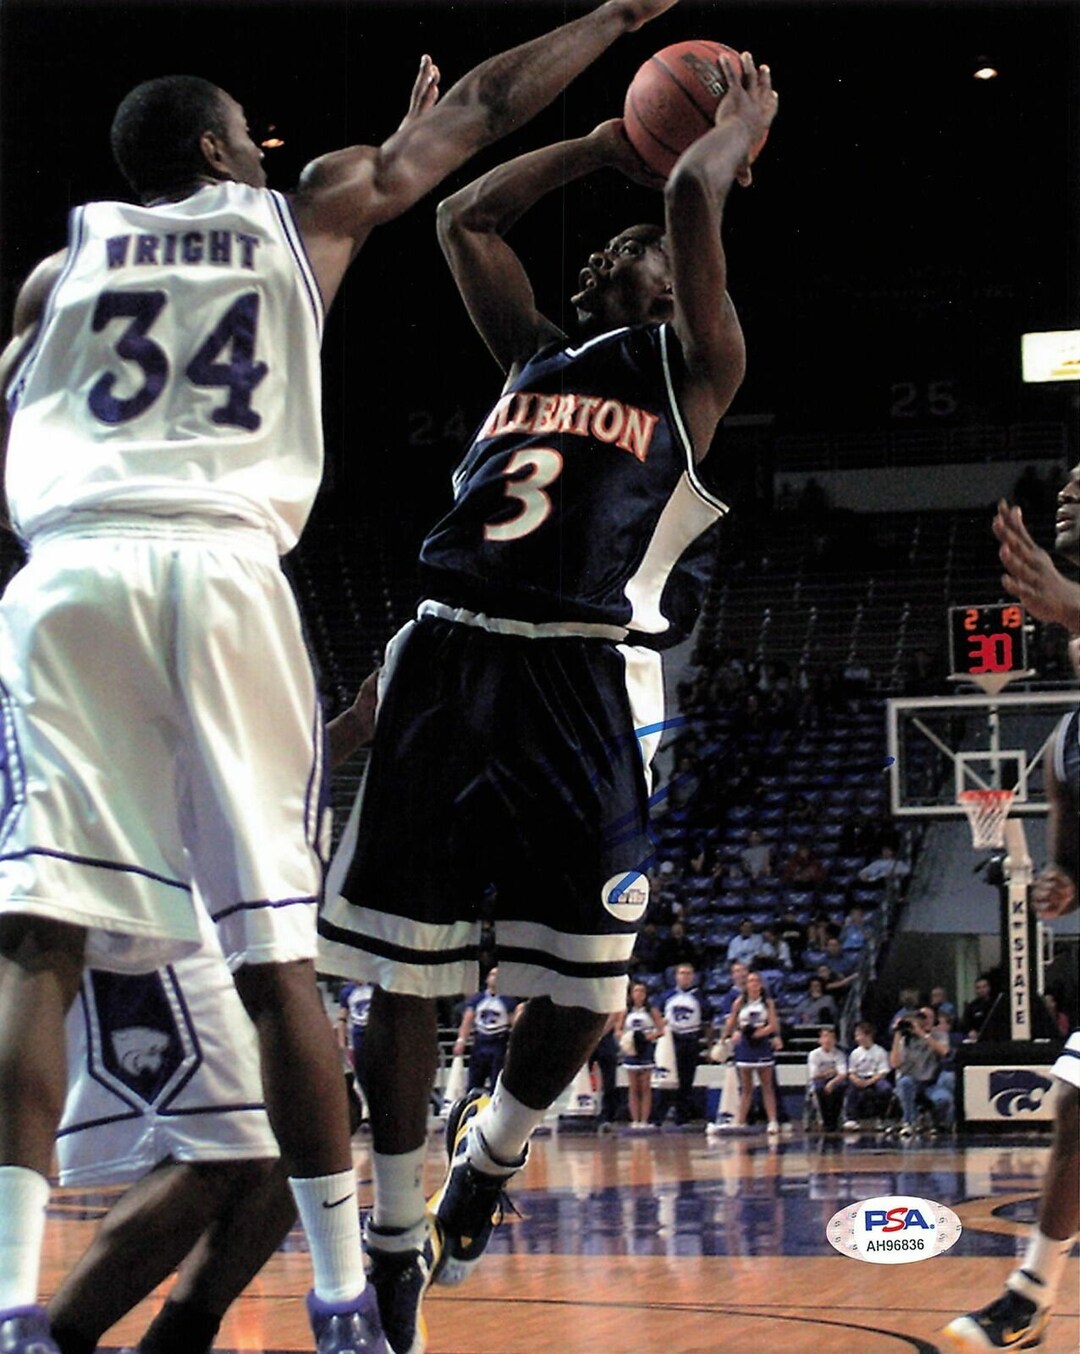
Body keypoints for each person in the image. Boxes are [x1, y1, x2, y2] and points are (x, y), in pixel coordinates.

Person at [0, 6, 683, 1351]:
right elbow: (481, 115)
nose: (269, 155)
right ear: (216, 144)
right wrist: (605, 22)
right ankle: (346, 1290)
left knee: (39, 952)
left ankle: (17, 1301)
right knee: (278, 953)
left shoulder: (55, 268)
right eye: (250, 139)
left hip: (69, 571)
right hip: (227, 568)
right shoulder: (297, 211)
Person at [317, 47, 778, 1311]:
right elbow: (467, 215)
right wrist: (596, 146)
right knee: (402, 971)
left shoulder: (696, 374)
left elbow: (691, 200)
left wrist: (718, 144)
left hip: (578, 671)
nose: (661, 260)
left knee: (589, 986)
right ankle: (397, 1235)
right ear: (605, 278)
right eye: (634, 251)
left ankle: (495, 1149)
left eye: (670, 256)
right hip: (452, 642)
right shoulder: (533, 359)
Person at [46, 675, 378, 1354]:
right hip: (135, 875)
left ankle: (179, 1334)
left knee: (318, 1119)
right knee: (222, 1149)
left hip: (196, 884)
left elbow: (245, 778)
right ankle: (55, 1339)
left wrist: (354, 726)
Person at [944, 480, 1080, 1351]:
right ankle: (1030, 1295)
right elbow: (1072, 860)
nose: (1069, 488)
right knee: (1073, 1111)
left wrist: (1071, 599)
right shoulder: (1069, 741)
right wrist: (1062, 880)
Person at [720, 969, 781, 1133]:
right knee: (746, 1088)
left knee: (767, 1085)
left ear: (761, 985)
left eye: (756, 981)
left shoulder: (767, 1003)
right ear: (746, 985)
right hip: (745, 1045)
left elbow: (774, 1024)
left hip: (762, 1044)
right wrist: (724, 1039)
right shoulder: (739, 1002)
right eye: (750, 981)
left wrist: (762, 1032)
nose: (753, 984)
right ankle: (740, 1122)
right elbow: (731, 1023)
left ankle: (772, 1121)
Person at [652, 963, 711, 1125]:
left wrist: (711, 1046)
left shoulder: (699, 997)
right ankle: (658, 1117)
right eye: (682, 973)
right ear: (676, 976)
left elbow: (707, 1023)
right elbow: (654, 1011)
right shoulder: (667, 995)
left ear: (693, 976)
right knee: (665, 1080)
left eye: (688, 973)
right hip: (670, 1043)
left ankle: (682, 1117)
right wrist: (660, 1026)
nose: (685, 976)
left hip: (691, 1041)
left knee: (686, 1081)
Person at [452, 966, 520, 1094]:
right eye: (492, 975)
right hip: (480, 1043)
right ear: (487, 979)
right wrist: (461, 1040)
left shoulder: (508, 1001)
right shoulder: (477, 999)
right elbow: (467, 1020)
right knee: (474, 1082)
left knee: (497, 1082)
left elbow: (514, 1024)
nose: (495, 978)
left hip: (498, 1043)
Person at [888, 1006, 953, 1137]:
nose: (925, 1020)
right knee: (905, 1082)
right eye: (921, 1017)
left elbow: (945, 1051)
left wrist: (922, 1033)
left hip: (931, 1082)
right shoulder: (905, 1039)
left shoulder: (939, 1034)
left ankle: (940, 1124)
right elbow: (894, 1063)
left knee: (944, 1099)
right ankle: (909, 1122)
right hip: (912, 1082)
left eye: (928, 1017)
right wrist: (897, 1035)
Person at [619, 980, 666, 1130]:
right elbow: (618, 1030)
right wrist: (627, 1038)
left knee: (645, 1087)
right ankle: (635, 1120)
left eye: (642, 991)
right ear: (631, 994)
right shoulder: (625, 1011)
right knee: (633, 1087)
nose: (639, 994)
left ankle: (645, 1120)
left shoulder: (651, 1011)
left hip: (646, 1049)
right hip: (631, 1050)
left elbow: (661, 1030)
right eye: (636, 991)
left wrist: (647, 1037)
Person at [842, 1021, 892, 1130]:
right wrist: (856, 1080)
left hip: (875, 1078)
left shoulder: (880, 1051)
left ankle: (881, 1118)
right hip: (859, 1077)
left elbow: (883, 1072)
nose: (857, 1038)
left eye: (859, 1035)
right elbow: (851, 1072)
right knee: (851, 1089)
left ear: (868, 1035)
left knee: (885, 1089)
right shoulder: (855, 1053)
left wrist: (869, 1082)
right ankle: (851, 1119)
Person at [806, 1026, 847, 1132]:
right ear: (820, 1040)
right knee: (819, 1089)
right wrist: (828, 1072)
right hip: (819, 1080)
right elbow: (814, 1075)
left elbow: (842, 1073)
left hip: (835, 1080)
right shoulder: (814, 1054)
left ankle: (835, 1120)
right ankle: (824, 1120)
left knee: (840, 1087)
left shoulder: (839, 1054)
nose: (827, 1040)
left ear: (835, 1040)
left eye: (831, 1038)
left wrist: (832, 1082)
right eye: (824, 1037)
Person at [961, 974, 999, 1042]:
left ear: (989, 987)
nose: (981, 990)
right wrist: (970, 1031)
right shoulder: (972, 1006)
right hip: (978, 1040)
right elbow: (965, 1023)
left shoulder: (996, 1003)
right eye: (978, 988)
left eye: (984, 987)